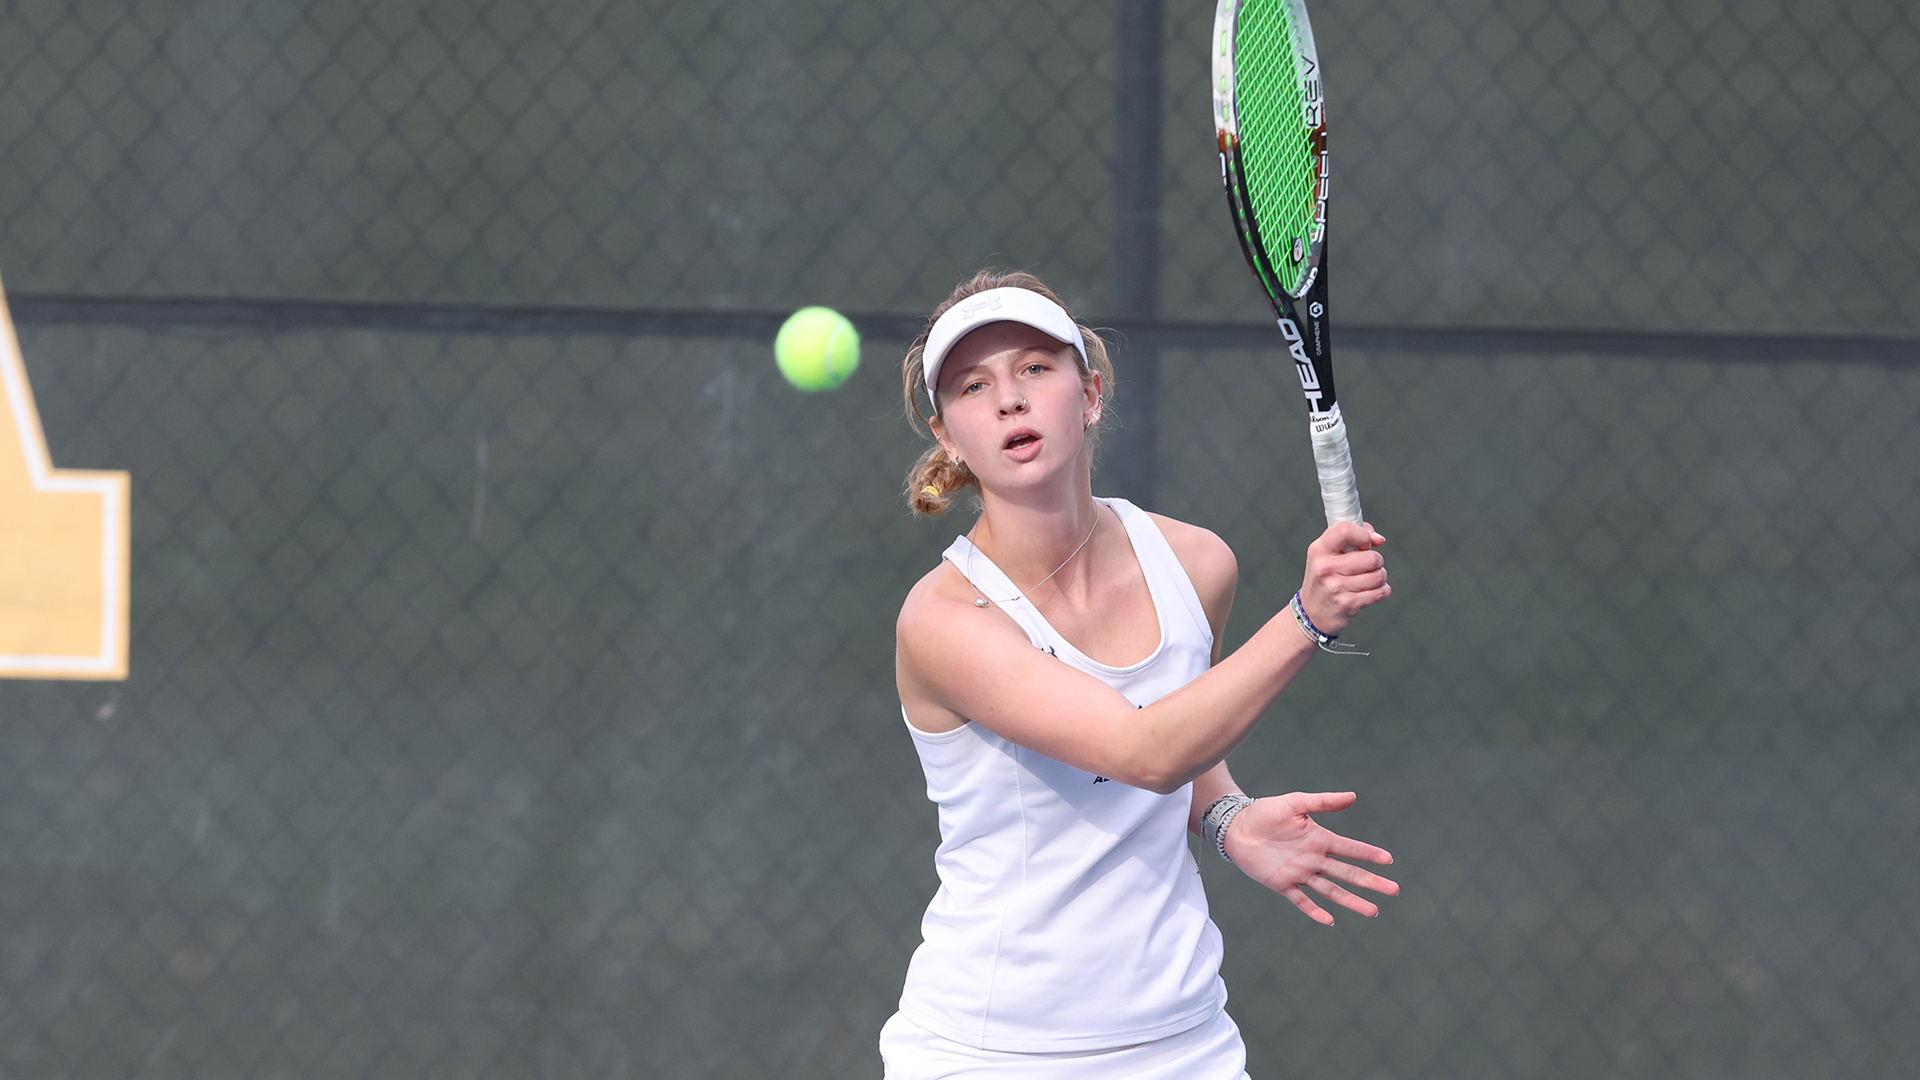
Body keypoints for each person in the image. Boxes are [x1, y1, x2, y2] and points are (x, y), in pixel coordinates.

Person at [880, 270, 1399, 1079]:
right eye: (974, 386)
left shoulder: (1195, 563)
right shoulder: (945, 620)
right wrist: (1307, 618)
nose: (1009, 399)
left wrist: (1226, 816)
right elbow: (1141, 751)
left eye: (1034, 368)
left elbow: (1181, 736)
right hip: (992, 1054)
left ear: (1090, 394)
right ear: (949, 437)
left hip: (1185, 1045)